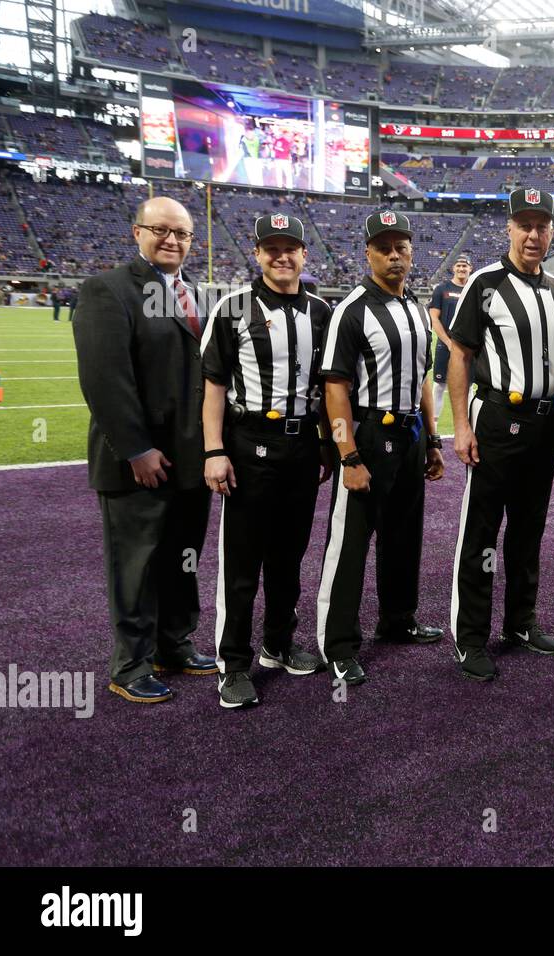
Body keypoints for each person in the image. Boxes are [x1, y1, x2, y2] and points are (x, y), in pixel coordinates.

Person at [72, 197, 216, 704]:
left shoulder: (196, 295)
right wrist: (136, 448)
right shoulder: (107, 289)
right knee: (135, 565)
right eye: (160, 230)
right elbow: (105, 379)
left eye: (181, 233)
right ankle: (130, 663)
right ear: (137, 232)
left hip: (191, 458)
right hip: (138, 461)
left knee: (182, 557)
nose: (171, 240)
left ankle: (175, 643)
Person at [200, 213, 334, 708]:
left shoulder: (321, 312)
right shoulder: (232, 310)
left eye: (290, 248)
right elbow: (213, 385)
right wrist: (213, 450)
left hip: (300, 447)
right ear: (256, 254)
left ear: (304, 254)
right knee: (242, 559)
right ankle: (233, 662)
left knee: (289, 554)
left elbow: (326, 388)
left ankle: (278, 642)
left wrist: (325, 442)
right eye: (271, 248)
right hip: (249, 443)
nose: (282, 256)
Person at [314, 210, 446, 688]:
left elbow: (424, 380)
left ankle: (397, 619)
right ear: (367, 252)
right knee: (350, 542)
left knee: (404, 534)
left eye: (401, 246)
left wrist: (432, 440)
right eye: (384, 247)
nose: (394, 255)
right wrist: (348, 455)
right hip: (369, 432)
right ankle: (338, 643)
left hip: (409, 433)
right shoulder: (351, 309)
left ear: (411, 251)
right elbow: (335, 388)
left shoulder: (414, 305)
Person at [447, 189, 554, 681]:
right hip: (498, 420)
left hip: (544, 424)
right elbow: (460, 356)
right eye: (525, 225)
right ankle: (470, 636)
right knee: (482, 532)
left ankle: (520, 622)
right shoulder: (485, 282)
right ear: (509, 229)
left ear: (552, 231)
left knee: (529, 529)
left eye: (542, 225)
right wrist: (461, 425)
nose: (533, 234)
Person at [429, 253, 472, 429]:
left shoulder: (473, 289)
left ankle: (468, 423)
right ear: (453, 268)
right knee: (439, 384)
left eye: (465, 266)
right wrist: (448, 342)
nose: (461, 269)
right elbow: (434, 318)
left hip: (468, 347)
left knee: (468, 386)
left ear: (471, 268)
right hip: (446, 346)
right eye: (459, 266)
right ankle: (433, 424)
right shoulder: (442, 289)